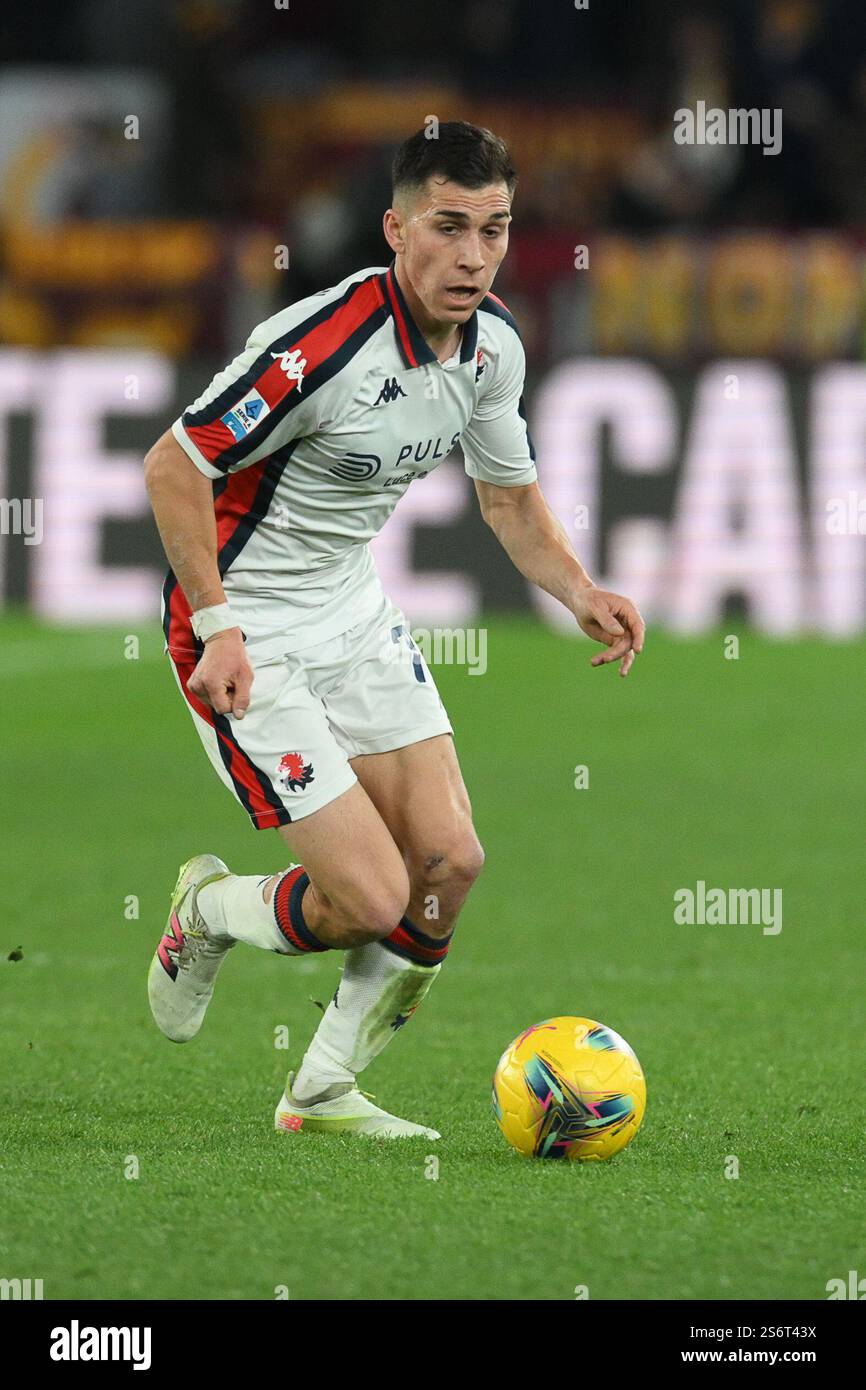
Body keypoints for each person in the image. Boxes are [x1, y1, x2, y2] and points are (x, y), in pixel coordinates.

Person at [143, 121, 645, 1139]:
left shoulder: (491, 344)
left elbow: (507, 500)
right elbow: (173, 464)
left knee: (449, 865)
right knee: (370, 898)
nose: (472, 255)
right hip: (244, 630)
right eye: (447, 227)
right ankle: (207, 912)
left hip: (351, 610)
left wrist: (578, 589)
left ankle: (321, 1088)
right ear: (395, 228)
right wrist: (219, 622)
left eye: (493, 229)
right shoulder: (319, 345)